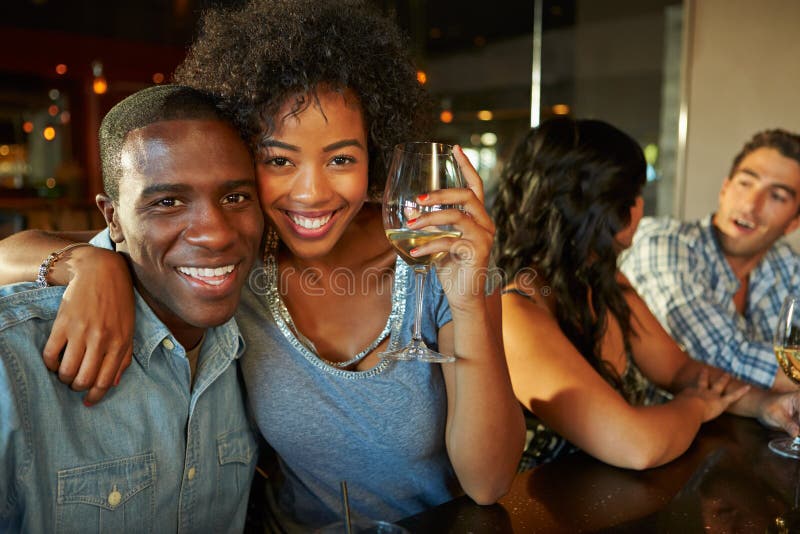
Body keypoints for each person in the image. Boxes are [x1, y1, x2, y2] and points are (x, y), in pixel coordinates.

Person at [0, 0, 525, 529]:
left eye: (341, 159)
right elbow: (26, 248)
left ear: (376, 157)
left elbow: (487, 483)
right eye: (279, 161)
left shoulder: (429, 259)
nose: (312, 193)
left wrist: (471, 300)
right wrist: (90, 265)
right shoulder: (234, 257)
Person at [0, 85, 264, 531]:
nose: (215, 234)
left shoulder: (259, 325)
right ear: (113, 219)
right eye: (167, 202)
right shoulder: (14, 361)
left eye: (236, 197)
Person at [492, 117, 800, 471]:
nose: (642, 206)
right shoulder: (517, 313)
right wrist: (696, 406)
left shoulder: (603, 280)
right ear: (598, 206)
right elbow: (636, 445)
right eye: (634, 194)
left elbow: (679, 369)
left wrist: (766, 406)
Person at [620, 129, 800, 391]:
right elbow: (722, 357)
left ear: (793, 223)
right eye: (745, 183)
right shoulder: (664, 244)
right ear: (725, 189)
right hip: (650, 425)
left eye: (776, 196)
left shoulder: (786, 264)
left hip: (747, 428)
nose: (751, 204)